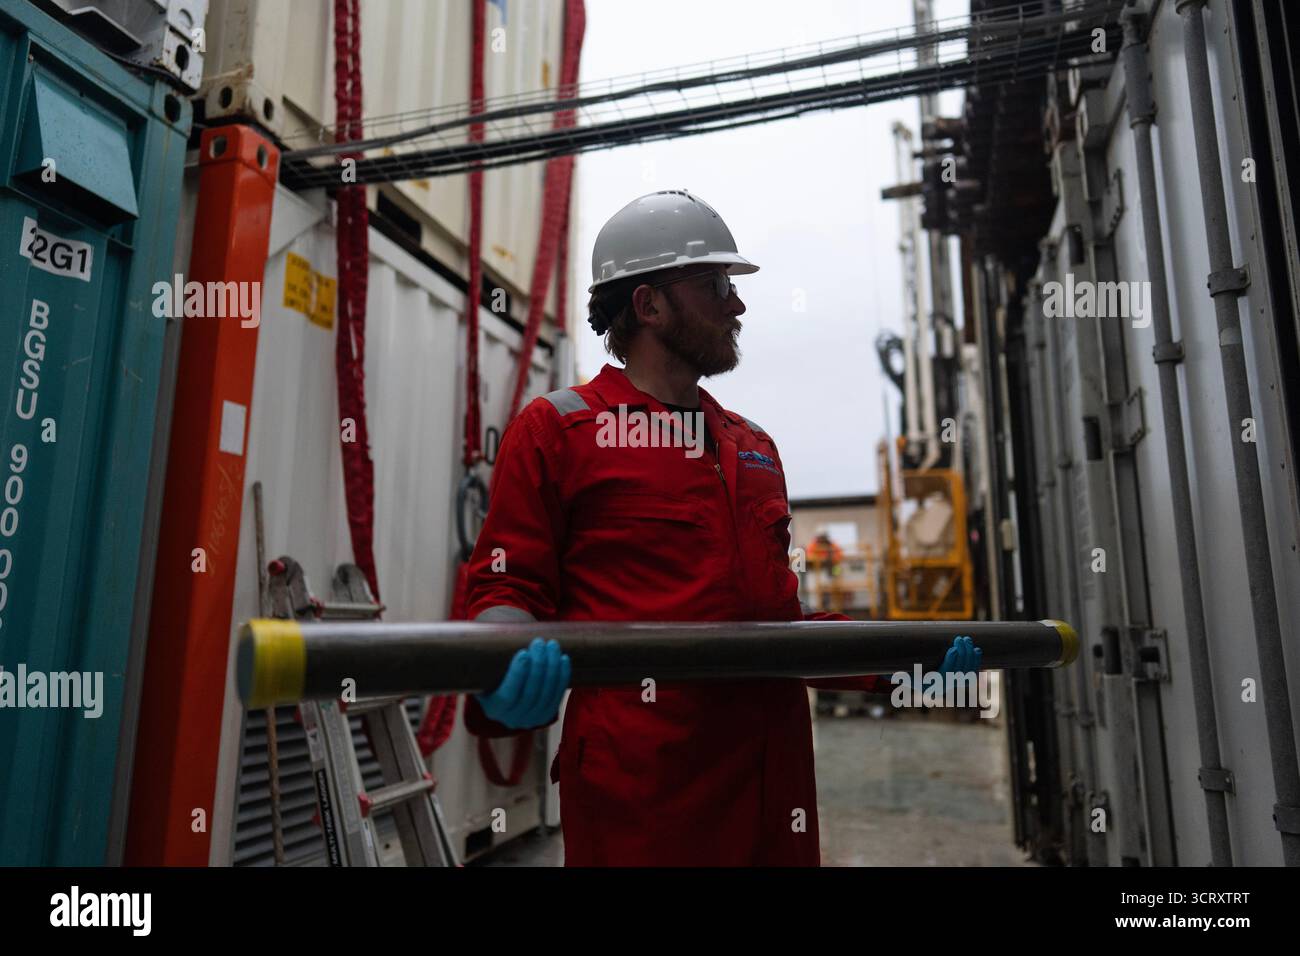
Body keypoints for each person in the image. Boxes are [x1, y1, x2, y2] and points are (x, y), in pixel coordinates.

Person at [461, 189, 981, 865]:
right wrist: (502, 680)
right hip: (646, 812)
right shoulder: (560, 430)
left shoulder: (753, 447)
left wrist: (900, 661)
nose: (736, 305)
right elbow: (507, 592)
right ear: (649, 305)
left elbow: (776, 626)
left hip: (773, 798)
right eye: (714, 286)